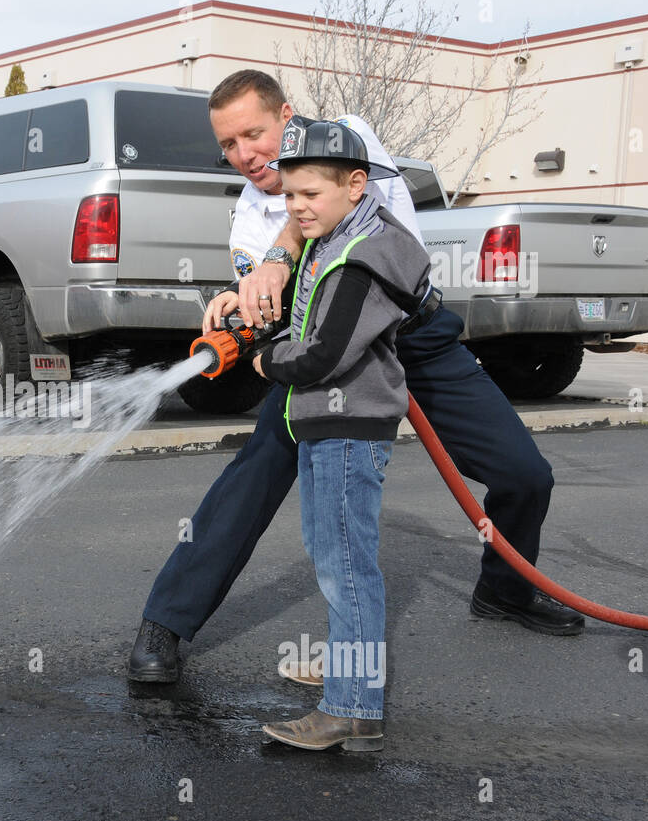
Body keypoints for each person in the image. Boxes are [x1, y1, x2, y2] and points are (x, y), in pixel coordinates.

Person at [127, 70, 580, 687]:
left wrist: (279, 258)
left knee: (525, 475)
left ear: (288, 116)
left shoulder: (348, 139)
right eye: (229, 145)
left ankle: (505, 589)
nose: (245, 155)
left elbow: (345, 208)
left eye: (255, 134)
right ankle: (166, 621)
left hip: (416, 339)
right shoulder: (245, 219)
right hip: (332, 353)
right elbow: (278, 308)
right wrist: (245, 305)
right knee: (253, 477)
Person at [253, 117, 425, 750]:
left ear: (356, 185)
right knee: (335, 557)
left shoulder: (359, 259)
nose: (296, 208)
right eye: (289, 195)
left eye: (310, 195)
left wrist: (265, 363)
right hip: (329, 423)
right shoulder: (334, 240)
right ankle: (347, 670)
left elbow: (324, 354)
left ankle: (351, 709)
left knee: (345, 567)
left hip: (348, 427)